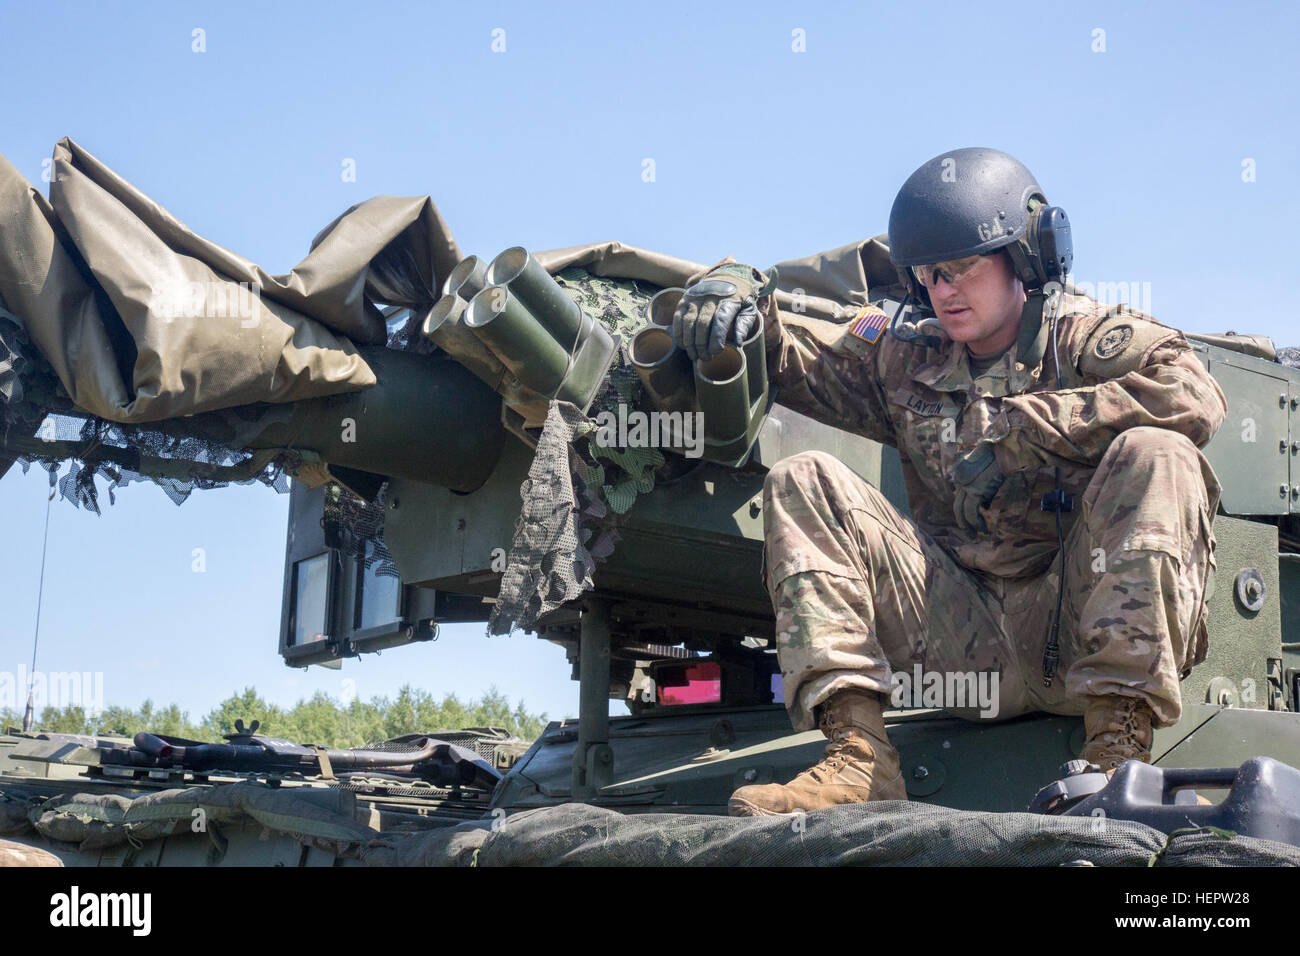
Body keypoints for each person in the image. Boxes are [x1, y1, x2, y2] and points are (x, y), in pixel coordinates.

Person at [670, 147, 1227, 815]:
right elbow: (791, 355)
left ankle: (1117, 749)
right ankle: (859, 761)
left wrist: (1021, 431)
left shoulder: (1082, 338)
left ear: (1024, 258)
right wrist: (738, 291)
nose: (943, 291)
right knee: (803, 478)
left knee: (1160, 454)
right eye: (929, 275)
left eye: (961, 268)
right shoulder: (906, 359)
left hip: (1077, 629)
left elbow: (1194, 396)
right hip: (958, 646)